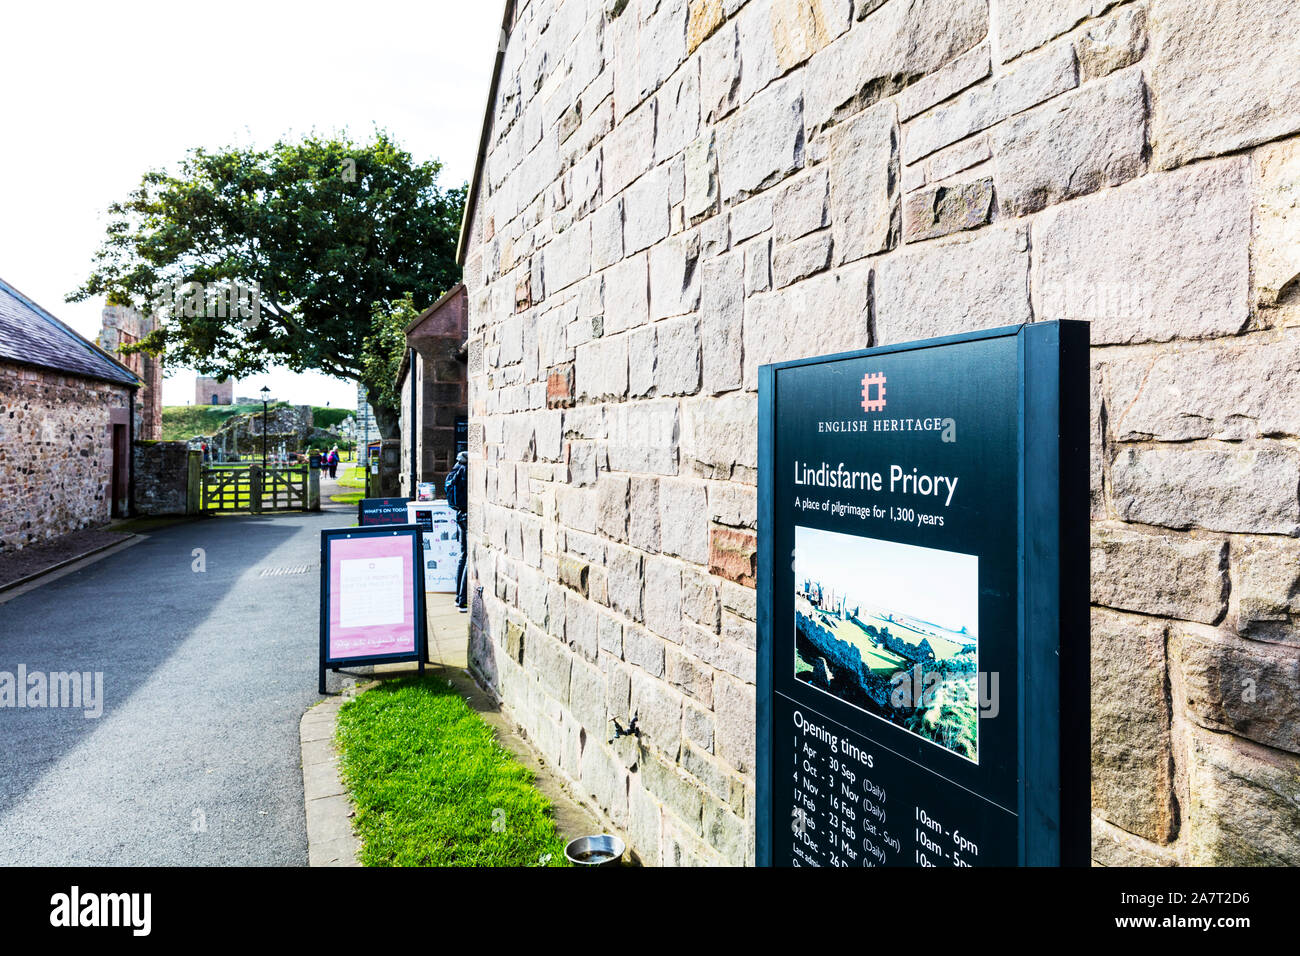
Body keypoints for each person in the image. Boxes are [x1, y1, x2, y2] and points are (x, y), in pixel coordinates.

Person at [446, 451, 469, 611]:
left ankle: (458, 597)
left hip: (460, 515)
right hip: (467, 514)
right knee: (469, 557)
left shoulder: (458, 465)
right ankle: (463, 600)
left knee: (463, 555)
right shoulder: (467, 468)